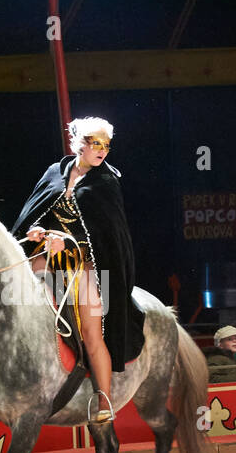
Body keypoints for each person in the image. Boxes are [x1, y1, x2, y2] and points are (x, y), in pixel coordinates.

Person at [10, 117, 145, 423]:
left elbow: (107, 235)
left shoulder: (106, 182)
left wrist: (67, 241)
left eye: (106, 145)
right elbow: (38, 211)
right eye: (95, 143)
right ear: (77, 143)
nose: (102, 150)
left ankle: (103, 400)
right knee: (16, 290)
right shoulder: (54, 173)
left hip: (86, 262)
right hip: (47, 255)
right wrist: (38, 230)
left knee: (91, 331)